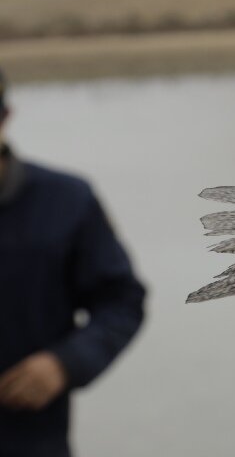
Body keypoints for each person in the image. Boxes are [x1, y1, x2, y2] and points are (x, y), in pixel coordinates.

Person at [0, 67, 147, 457]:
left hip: (31, 441)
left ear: (5, 117)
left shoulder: (66, 202)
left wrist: (64, 363)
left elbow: (122, 300)